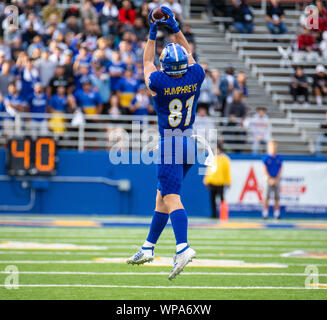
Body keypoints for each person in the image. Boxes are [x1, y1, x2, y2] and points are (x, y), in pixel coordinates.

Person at [126, 6, 205, 280]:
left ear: (166, 66)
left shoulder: (158, 81)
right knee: (162, 196)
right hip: (189, 142)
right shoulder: (196, 76)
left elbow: (147, 63)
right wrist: (175, 28)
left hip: (170, 143)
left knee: (171, 198)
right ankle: (148, 247)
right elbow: (189, 53)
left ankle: (183, 247)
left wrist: (152, 33)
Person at [203, 143, 231, 218]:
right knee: (212, 200)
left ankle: (223, 215)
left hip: (220, 182)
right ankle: (214, 214)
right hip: (212, 181)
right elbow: (208, 169)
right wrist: (206, 179)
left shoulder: (225, 159)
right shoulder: (212, 158)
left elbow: (227, 171)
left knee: (222, 200)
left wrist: (228, 181)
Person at [262, 140, 283, 220]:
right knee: (266, 197)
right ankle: (265, 213)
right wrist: (269, 179)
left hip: (276, 178)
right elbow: (264, 169)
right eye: (272, 147)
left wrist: (277, 179)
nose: (273, 148)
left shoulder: (279, 158)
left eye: (274, 147)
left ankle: (277, 214)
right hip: (268, 179)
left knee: (277, 197)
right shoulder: (266, 158)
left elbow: (280, 169)